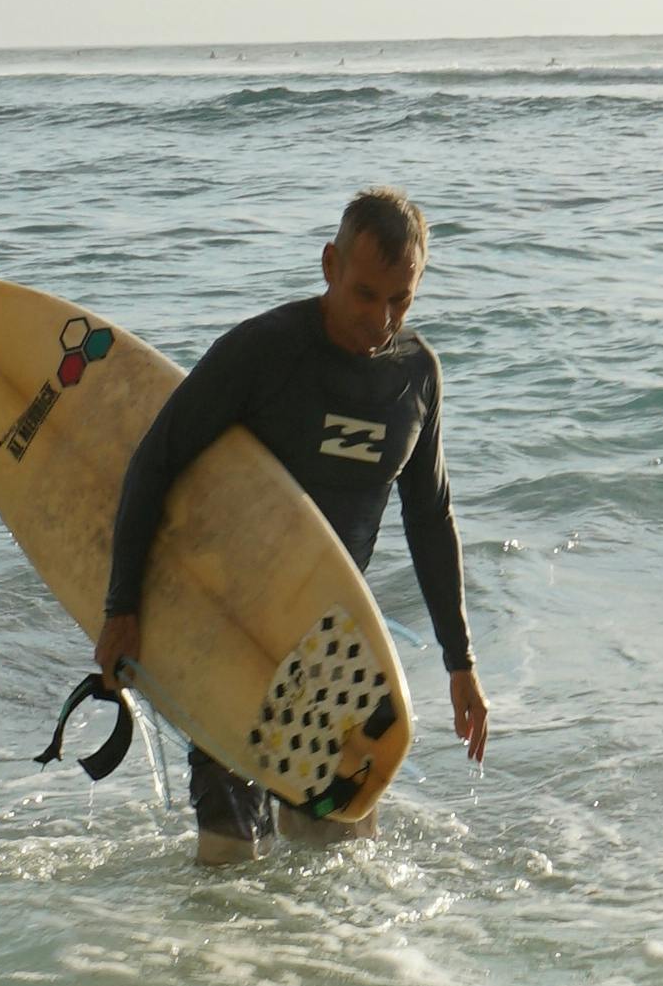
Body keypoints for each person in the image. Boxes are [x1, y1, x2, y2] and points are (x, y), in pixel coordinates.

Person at [93, 184, 493, 845]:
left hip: (332, 643)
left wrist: (461, 662)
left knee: (341, 854)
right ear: (330, 265)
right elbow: (155, 462)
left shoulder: (415, 376)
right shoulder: (263, 352)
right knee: (229, 858)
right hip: (231, 627)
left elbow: (430, 518)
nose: (381, 320)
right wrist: (122, 607)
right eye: (366, 294)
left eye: (401, 299)